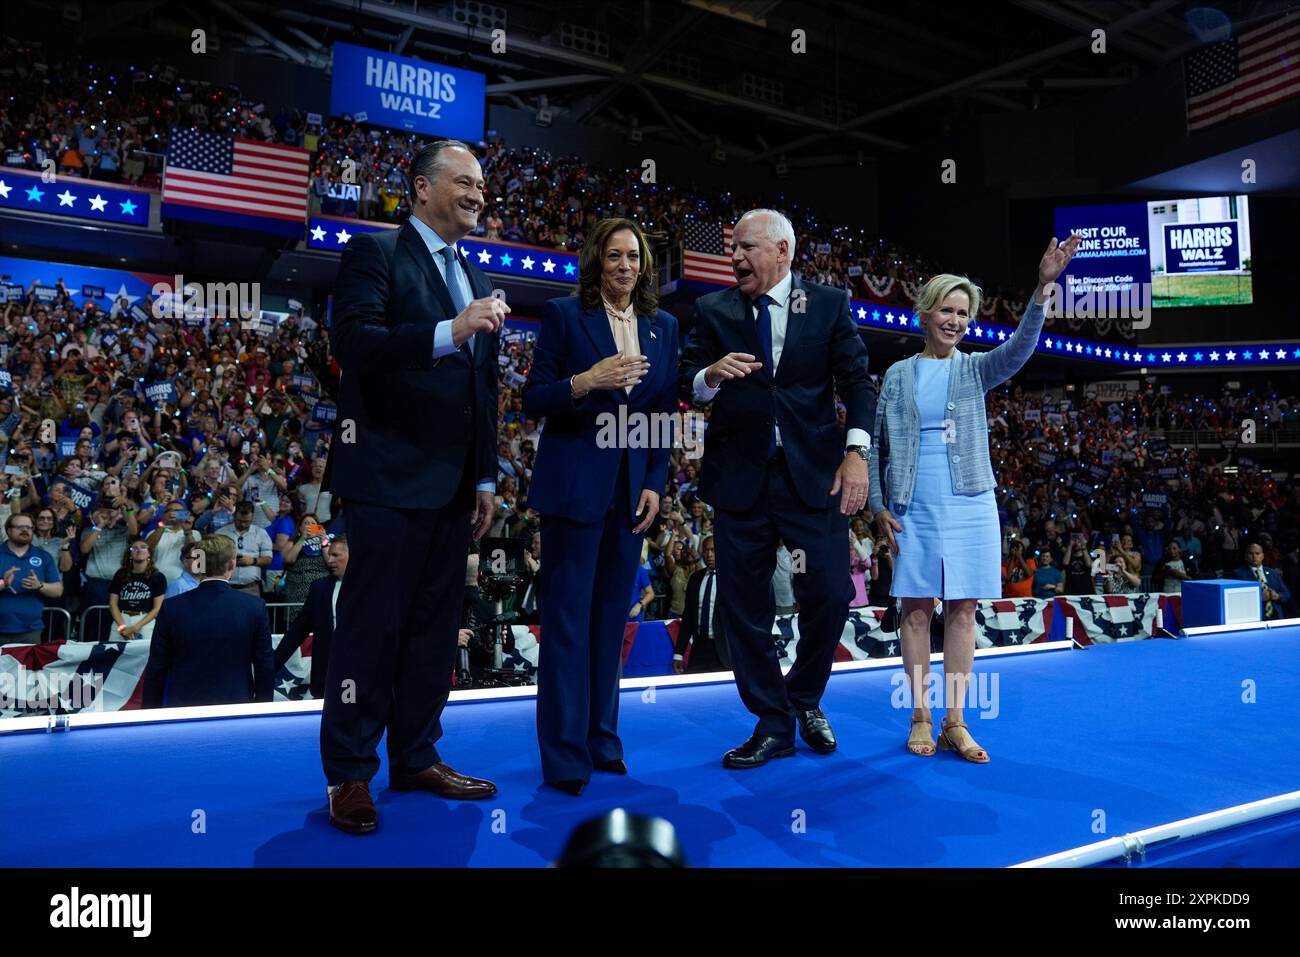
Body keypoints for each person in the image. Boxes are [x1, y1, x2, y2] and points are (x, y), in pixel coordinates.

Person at [318, 139, 504, 834]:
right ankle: (349, 773)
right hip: (388, 476)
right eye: (465, 182)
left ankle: (417, 753)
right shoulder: (375, 254)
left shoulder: (472, 268)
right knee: (370, 629)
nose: (478, 194)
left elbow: (482, 385)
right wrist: (449, 329)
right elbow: (356, 343)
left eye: (482, 185)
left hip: (455, 486)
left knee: (433, 632)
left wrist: (486, 472)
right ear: (421, 190)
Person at [869, 235, 1080, 762]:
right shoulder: (896, 375)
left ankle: (955, 722)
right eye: (948, 310)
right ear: (925, 313)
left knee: (963, 612)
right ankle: (920, 714)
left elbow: (1021, 348)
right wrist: (878, 506)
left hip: (971, 502)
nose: (957, 321)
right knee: (916, 612)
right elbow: (874, 448)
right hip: (911, 504)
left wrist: (1042, 289)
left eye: (964, 314)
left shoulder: (975, 368)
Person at [679, 208, 875, 769]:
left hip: (811, 479)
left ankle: (804, 697)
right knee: (744, 608)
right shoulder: (715, 309)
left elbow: (858, 383)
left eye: (746, 247)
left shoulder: (830, 304)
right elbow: (685, 383)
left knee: (831, 594)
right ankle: (772, 721)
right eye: (732, 248)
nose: (735, 257)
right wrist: (710, 375)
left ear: (783, 251)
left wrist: (856, 453)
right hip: (739, 483)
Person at [521, 216, 678, 795]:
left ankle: (602, 740)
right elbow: (534, 398)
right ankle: (564, 755)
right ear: (597, 261)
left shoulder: (663, 327)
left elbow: (662, 416)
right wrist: (587, 380)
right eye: (614, 256)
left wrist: (656, 482)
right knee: (566, 624)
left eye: (634, 257)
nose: (625, 266)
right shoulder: (566, 315)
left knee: (613, 622)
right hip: (573, 492)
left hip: (630, 497)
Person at [142, 535, 273, 707]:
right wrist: (263, 711)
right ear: (232, 564)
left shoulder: (171, 607)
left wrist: (150, 713)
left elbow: (156, 667)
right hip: (237, 705)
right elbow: (264, 666)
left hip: (183, 707)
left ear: (199, 565)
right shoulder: (254, 607)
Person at [274, 535, 349, 699]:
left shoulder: (372, 590)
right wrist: (270, 666)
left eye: (336, 555)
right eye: (329, 554)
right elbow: (297, 631)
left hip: (360, 679)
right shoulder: (319, 588)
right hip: (326, 680)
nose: (329, 560)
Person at [0, 514, 64, 644]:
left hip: (30, 631)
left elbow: (58, 590)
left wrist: (40, 585)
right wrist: (3, 583)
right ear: (8, 530)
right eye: (20, 527)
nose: (25, 530)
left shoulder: (44, 556)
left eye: (28, 527)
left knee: (27, 666)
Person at [673, 534, 731, 674]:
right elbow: (687, 618)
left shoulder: (733, 579)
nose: (709, 554)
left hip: (726, 652)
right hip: (698, 650)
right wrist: (679, 654)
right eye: (706, 550)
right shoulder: (695, 578)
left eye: (713, 550)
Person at [108, 538, 167, 640]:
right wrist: (122, 627)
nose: (139, 550)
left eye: (143, 547)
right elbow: (113, 604)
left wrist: (136, 627)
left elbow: (157, 608)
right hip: (121, 619)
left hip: (145, 621)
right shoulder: (120, 574)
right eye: (134, 548)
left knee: (145, 655)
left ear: (149, 553)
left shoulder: (158, 576)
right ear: (130, 554)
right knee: (112, 654)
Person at [215, 502, 273, 597]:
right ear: (234, 515)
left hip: (251, 587)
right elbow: (213, 558)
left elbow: (268, 559)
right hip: (226, 586)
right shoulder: (221, 533)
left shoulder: (261, 533)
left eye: (247, 521)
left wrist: (253, 560)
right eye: (239, 520)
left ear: (252, 517)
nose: (242, 524)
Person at [1233, 541, 1291, 621]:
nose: (1254, 556)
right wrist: (1258, 598)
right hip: (1255, 617)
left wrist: (1277, 596)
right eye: (1251, 553)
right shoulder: (1238, 574)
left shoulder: (1273, 573)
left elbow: (1286, 593)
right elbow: (1236, 599)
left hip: (1276, 616)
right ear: (1246, 556)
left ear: (1263, 556)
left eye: (1257, 553)